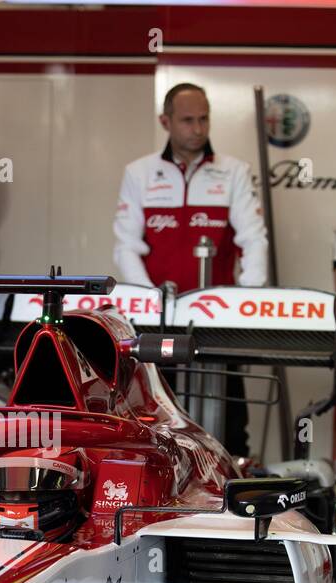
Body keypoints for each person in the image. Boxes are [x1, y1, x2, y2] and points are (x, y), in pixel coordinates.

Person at [113, 82, 268, 457]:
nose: (197, 129)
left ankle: (231, 502)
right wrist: (152, 302)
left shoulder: (234, 172)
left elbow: (254, 241)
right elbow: (126, 247)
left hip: (216, 325)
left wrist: (243, 306)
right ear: (165, 121)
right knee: (155, 421)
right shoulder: (139, 173)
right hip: (157, 323)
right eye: (187, 120)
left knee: (230, 426)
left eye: (203, 119)